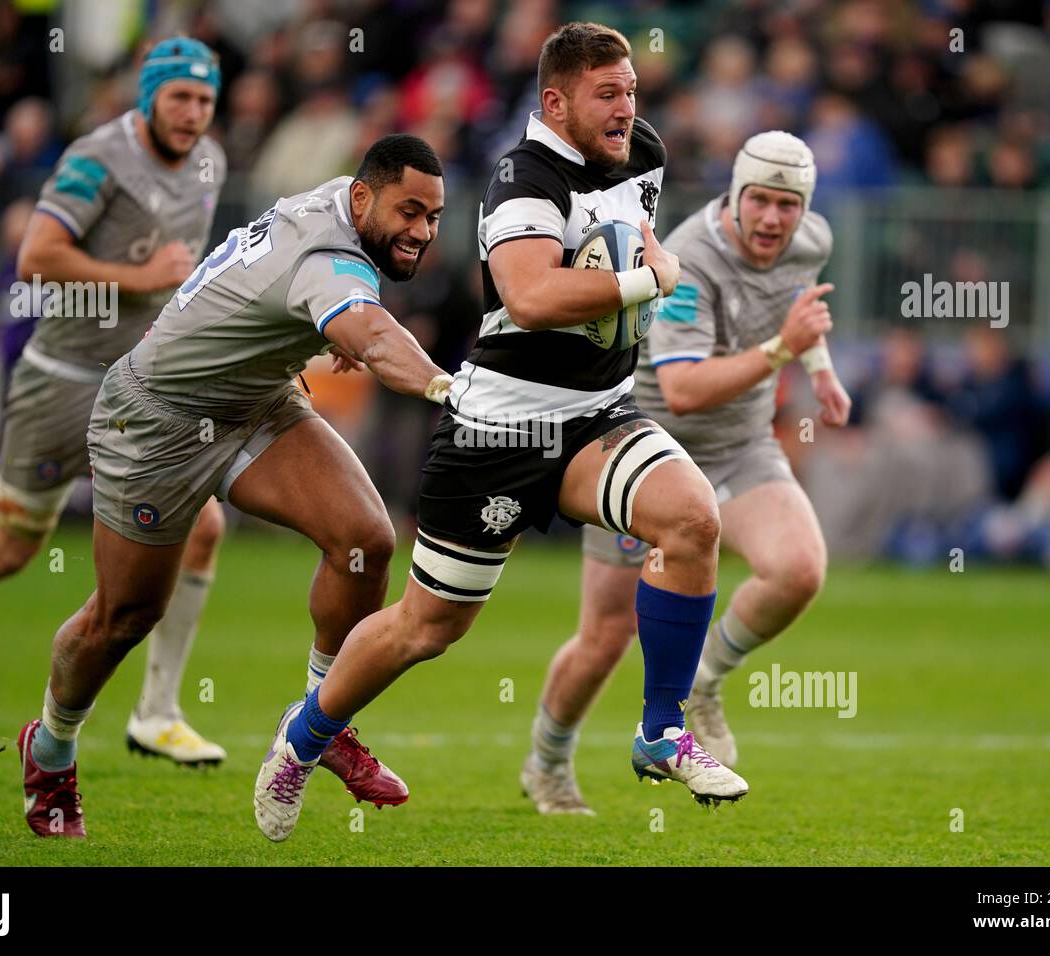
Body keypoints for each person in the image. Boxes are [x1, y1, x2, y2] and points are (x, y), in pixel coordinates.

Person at [257, 21, 750, 844]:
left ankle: (662, 731)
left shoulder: (645, 153)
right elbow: (530, 297)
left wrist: (653, 272)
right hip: (501, 427)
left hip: (598, 413)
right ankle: (301, 739)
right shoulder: (523, 177)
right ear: (556, 102)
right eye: (607, 94)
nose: (627, 106)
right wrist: (646, 281)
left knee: (692, 517)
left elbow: (639, 244)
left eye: (631, 90)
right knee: (428, 627)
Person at [17, 134, 451, 838]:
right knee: (123, 617)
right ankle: (52, 749)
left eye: (433, 217)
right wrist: (446, 386)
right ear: (365, 198)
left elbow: (303, 288)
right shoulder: (331, 257)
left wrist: (316, 325)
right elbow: (371, 332)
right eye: (410, 213)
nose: (422, 233)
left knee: (365, 540)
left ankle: (320, 718)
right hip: (154, 419)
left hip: (253, 403)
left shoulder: (343, 205)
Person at [0, 38, 231, 765]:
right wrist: (136, 278)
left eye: (205, 100)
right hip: (61, 381)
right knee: (9, 548)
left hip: (141, 387)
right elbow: (37, 259)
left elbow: (181, 278)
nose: (194, 114)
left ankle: (156, 711)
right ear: (148, 97)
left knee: (203, 527)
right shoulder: (98, 157)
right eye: (180, 98)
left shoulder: (210, 164)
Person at [520, 131, 852, 813]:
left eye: (786, 205)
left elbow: (799, 315)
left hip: (740, 444)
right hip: (650, 455)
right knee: (607, 636)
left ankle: (701, 680)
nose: (771, 218)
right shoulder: (689, 259)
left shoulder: (812, 240)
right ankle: (547, 762)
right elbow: (685, 391)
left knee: (798, 569)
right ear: (735, 193)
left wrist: (818, 368)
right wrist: (785, 349)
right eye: (759, 200)